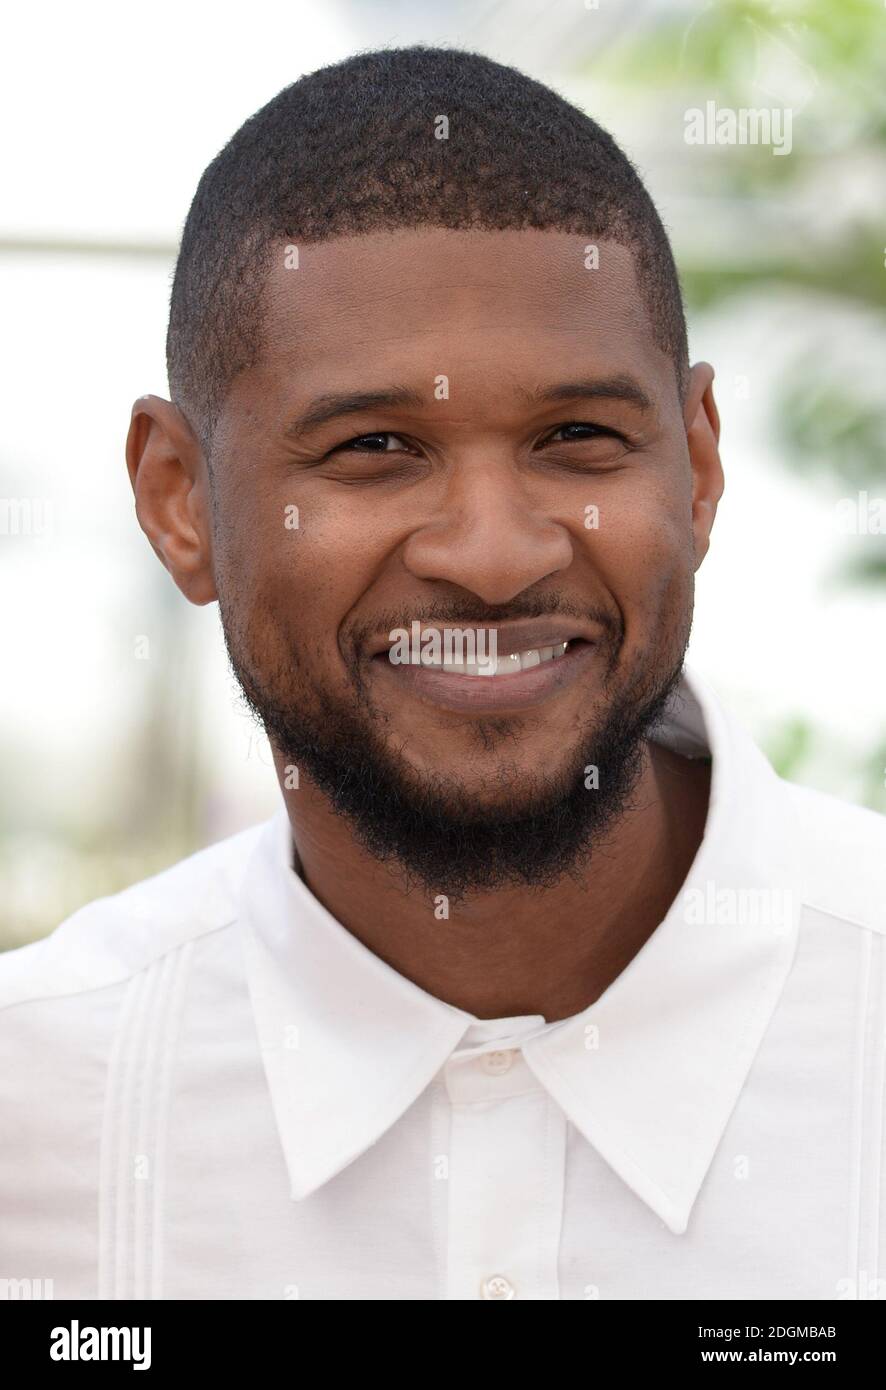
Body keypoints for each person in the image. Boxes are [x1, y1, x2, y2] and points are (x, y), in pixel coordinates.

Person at [1, 45, 883, 1302]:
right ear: (180, 501)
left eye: (577, 436)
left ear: (697, 467)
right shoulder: (33, 1110)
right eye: (375, 448)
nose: (491, 554)